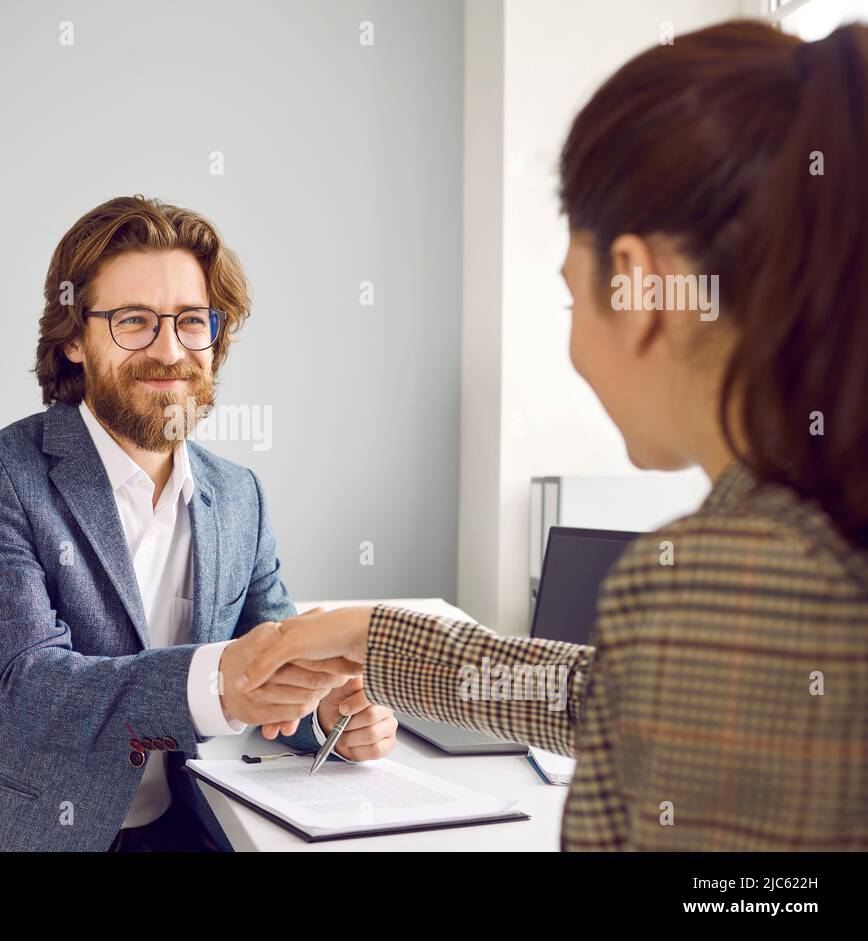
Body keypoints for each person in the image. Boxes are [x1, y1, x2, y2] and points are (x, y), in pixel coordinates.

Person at [243, 21, 868, 851]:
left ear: (639, 287)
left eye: (574, 298)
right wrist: (374, 637)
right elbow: (604, 697)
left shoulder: (733, 576)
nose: (574, 343)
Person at [0, 195, 391, 853]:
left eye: (191, 321)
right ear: (73, 339)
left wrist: (325, 710)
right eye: (134, 321)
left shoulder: (239, 496)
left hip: (182, 827)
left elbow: (271, 662)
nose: (169, 349)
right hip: (18, 833)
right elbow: (31, 687)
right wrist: (219, 682)